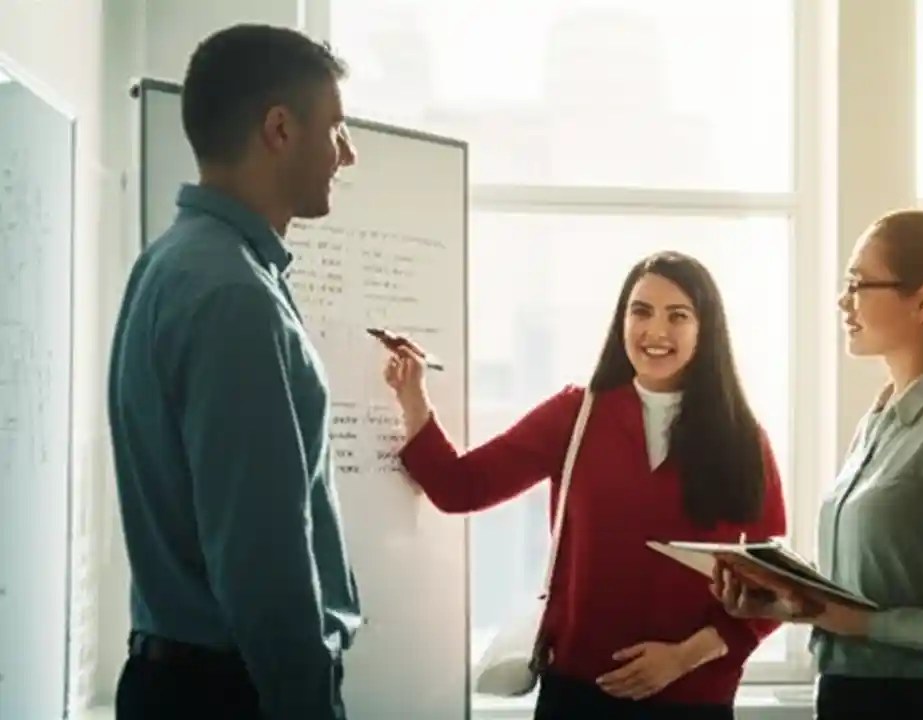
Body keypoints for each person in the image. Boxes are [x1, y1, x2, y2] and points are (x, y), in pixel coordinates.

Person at [382, 251, 787, 719]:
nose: (655, 331)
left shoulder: (742, 439)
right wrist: (413, 399)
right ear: (621, 321)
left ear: (706, 329)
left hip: (694, 699)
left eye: (678, 315)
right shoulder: (576, 415)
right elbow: (461, 488)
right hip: (577, 696)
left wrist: (684, 657)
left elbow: (774, 586)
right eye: (641, 311)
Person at [107, 24, 359, 720]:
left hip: (188, 680)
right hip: (233, 692)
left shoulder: (173, 263)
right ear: (280, 128)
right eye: (336, 128)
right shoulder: (235, 297)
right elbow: (262, 564)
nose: (348, 154)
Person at [715, 209, 923, 720]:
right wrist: (784, 601)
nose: (843, 301)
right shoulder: (879, 419)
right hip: (845, 695)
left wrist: (853, 621)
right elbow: (863, 590)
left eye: (858, 284)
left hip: (912, 706)